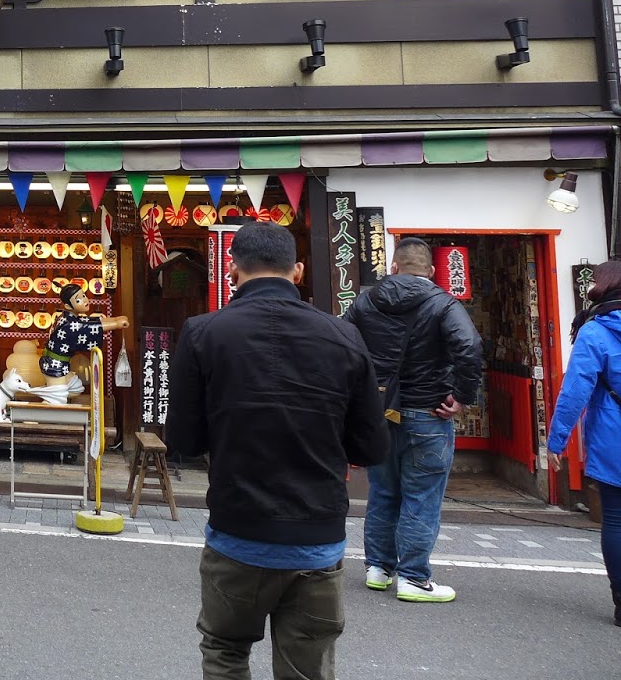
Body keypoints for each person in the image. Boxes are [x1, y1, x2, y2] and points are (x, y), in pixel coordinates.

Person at [168, 221, 388, 680]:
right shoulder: (344, 336)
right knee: (307, 670)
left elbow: (183, 443)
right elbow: (370, 446)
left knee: (226, 653)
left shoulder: (203, 332)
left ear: (232, 270)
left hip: (237, 530)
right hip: (317, 535)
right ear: (298, 270)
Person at [345, 236, 483, 604]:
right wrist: (462, 397)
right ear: (433, 271)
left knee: (384, 491)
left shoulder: (366, 300)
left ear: (393, 267)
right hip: (429, 413)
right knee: (421, 495)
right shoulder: (442, 303)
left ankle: (378, 568)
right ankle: (413, 577)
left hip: (380, 412)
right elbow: (468, 346)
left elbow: (344, 343)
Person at [547, 260, 621, 628]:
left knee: (617, 520)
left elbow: (575, 392)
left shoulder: (595, 333)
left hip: (614, 438)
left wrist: (556, 441)